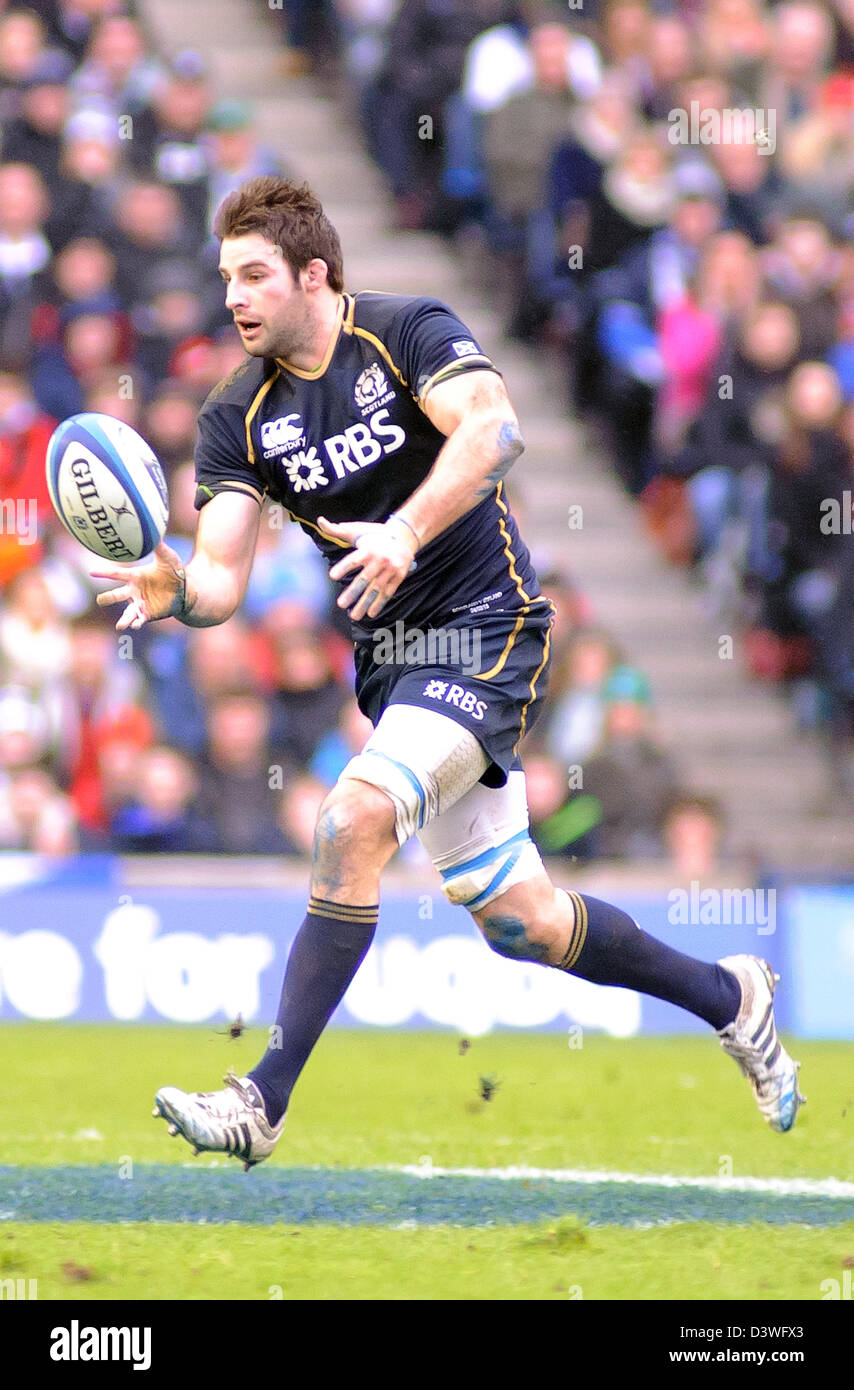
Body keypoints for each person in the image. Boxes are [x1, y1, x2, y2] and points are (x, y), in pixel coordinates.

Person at [92, 176, 804, 1171]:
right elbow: (219, 578)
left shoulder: (405, 332)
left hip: (484, 626)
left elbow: (493, 430)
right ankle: (733, 998)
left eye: (254, 275)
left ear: (314, 274)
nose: (235, 298)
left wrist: (406, 528)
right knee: (524, 924)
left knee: (350, 819)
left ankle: (263, 1098)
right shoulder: (235, 415)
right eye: (225, 280)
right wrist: (172, 583)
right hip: (393, 667)